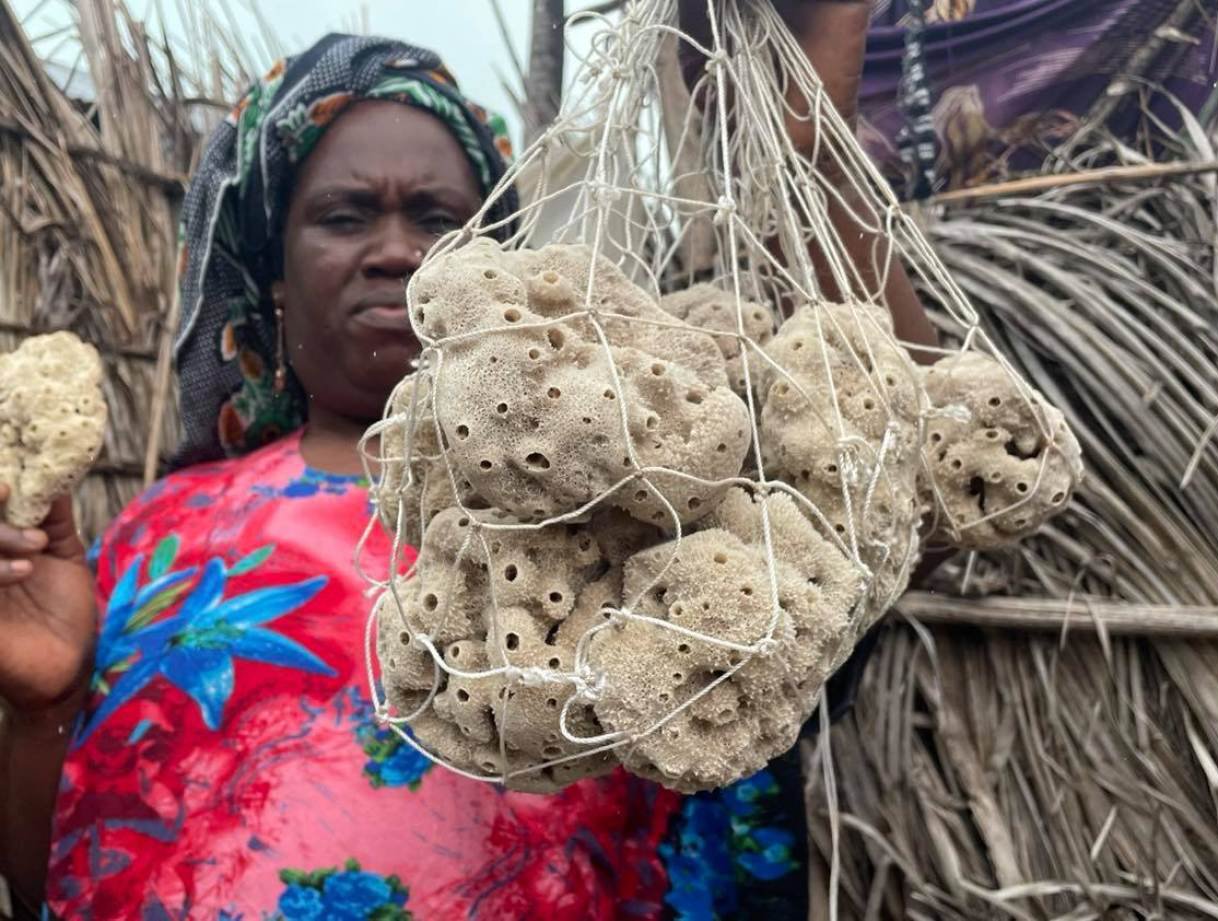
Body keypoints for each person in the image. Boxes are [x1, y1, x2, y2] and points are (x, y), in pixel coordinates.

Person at [0, 5, 938, 919]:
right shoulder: (159, 533)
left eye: (441, 218)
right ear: (273, 274)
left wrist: (809, 138)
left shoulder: (632, 500)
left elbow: (906, 469)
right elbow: (61, 876)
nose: (398, 250)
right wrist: (45, 711)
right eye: (344, 214)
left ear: (496, 270)